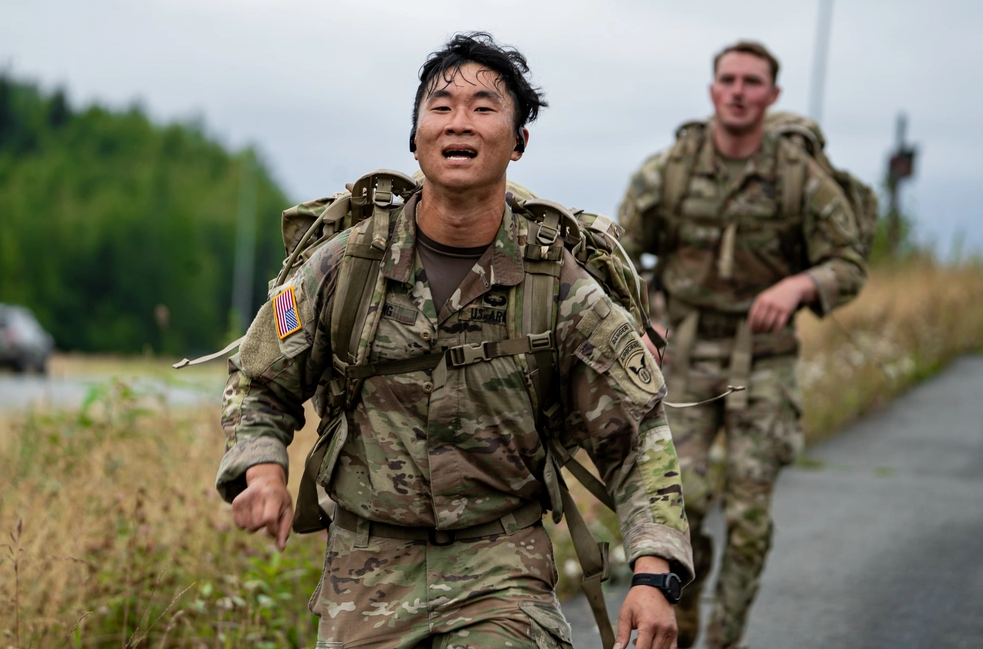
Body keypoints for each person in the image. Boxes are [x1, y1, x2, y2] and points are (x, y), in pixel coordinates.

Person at [216, 32, 693, 649]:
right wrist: (262, 469)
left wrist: (654, 576)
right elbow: (258, 382)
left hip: (502, 567)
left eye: (484, 107)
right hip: (367, 572)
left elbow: (637, 437)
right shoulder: (347, 265)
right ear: (415, 139)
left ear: (519, 143)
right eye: (440, 108)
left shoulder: (560, 286)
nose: (458, 122)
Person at [617, 40, 867, 649]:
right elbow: (616, 256)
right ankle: (683, 627)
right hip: (686, 355)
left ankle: (725, 640)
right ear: (712, 90)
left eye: (752, 82)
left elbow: (848, 261)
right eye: (727, 79)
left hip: (765, 359)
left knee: (749, 521)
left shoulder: (797, 176)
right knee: (686, 509)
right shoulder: (669, 169)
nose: (738, 91)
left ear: (772, 96)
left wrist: (800, 284)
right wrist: (645, 322)